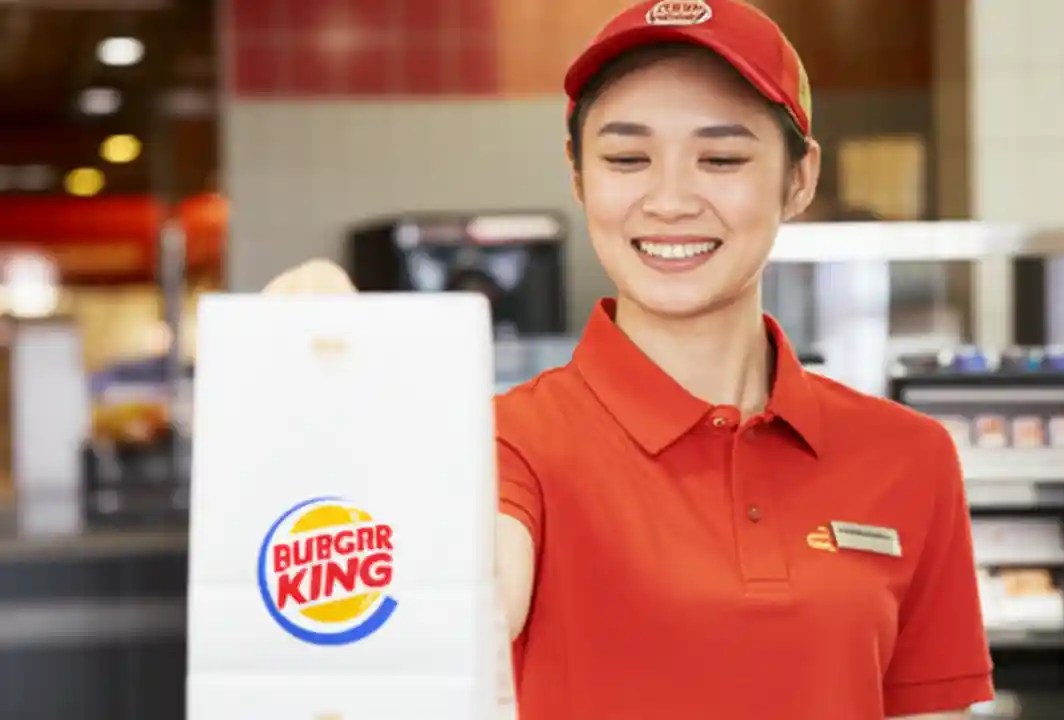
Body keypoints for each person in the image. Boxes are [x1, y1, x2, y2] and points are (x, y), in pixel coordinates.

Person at [264, 1, 993, 717]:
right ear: (580, 177)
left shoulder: (909, 456)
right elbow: (460, 602)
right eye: (626, 158)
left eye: (722, 157)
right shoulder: (502, 443)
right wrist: (339, 410)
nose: (670, 199)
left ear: (799, 179)